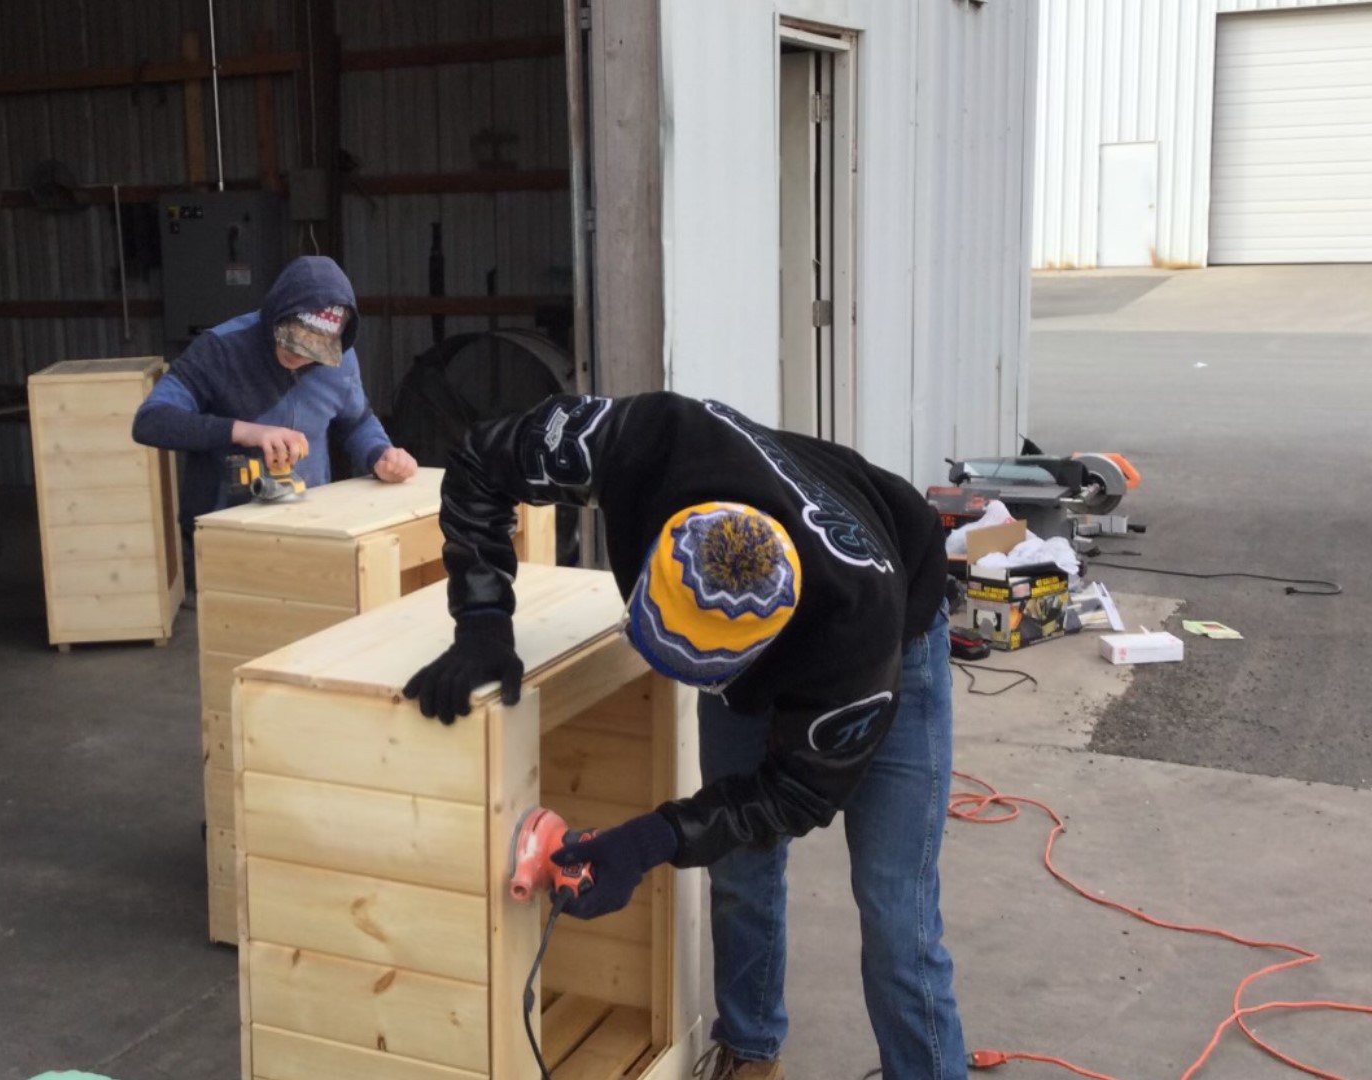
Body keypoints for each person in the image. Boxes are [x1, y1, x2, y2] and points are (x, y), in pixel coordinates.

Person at [402, 391, 967, 1080]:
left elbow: (791, 798)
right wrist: (484, 622)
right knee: (738, 874)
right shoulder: (644, 439)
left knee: (894, 913)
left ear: (760, 651)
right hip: (783, 613)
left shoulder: (858, 640)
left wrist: (648, 842)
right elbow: (476, 464)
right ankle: (751, 1053)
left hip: (903, 616)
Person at [132, 256, 418, 566]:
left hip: (311, 527)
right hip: (225, 535)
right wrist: (245, 431)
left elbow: (357, 422)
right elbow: (150, 421)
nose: (300, 358)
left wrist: (381, 454)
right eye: (292, 345)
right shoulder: (221, 349)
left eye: (314, 352)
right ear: (275, 317)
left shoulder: (340, 360)